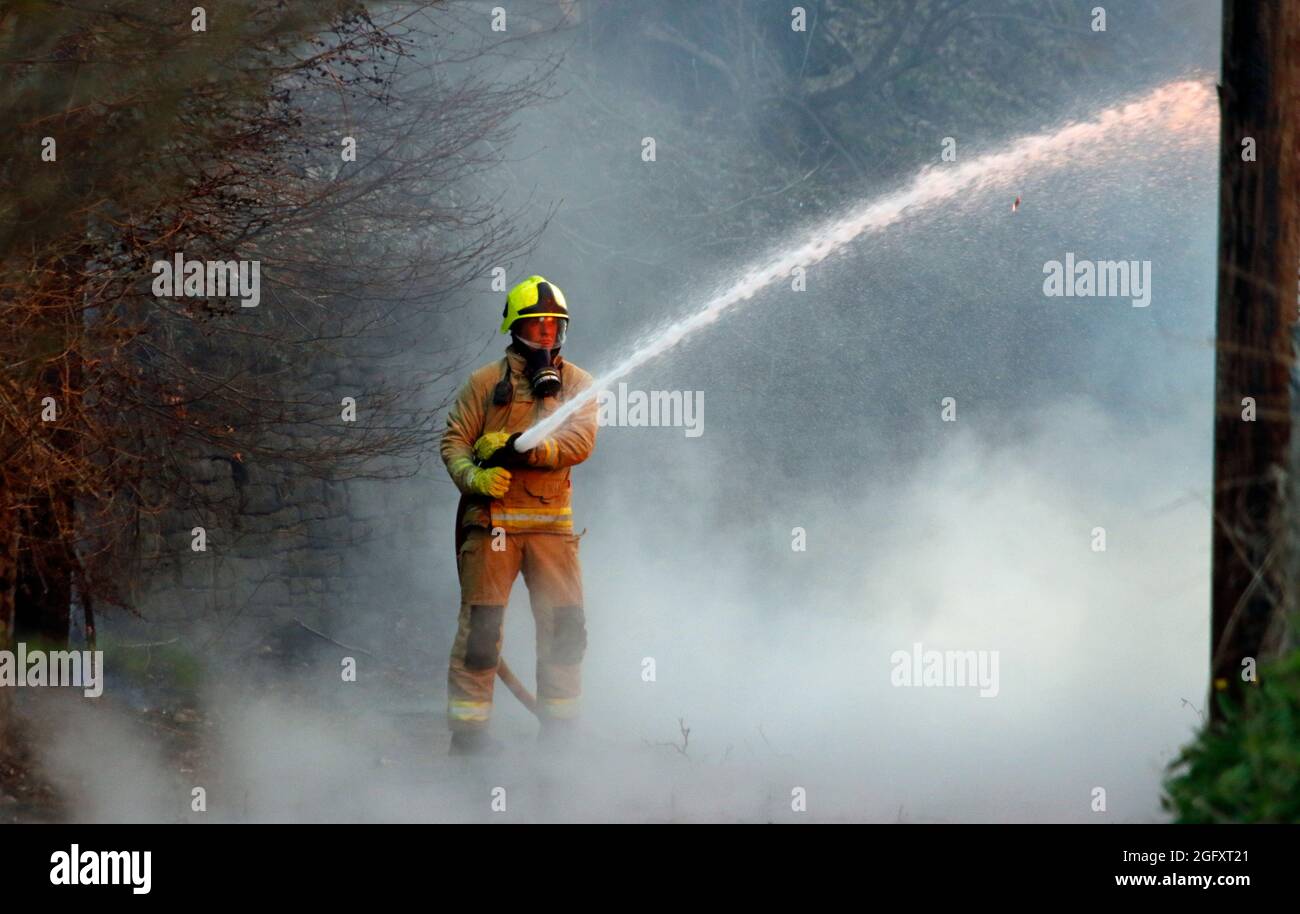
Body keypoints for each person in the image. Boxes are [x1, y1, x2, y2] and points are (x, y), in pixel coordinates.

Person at [440, 275, 598, 755]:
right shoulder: (484, 384)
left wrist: (521, 448)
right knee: (481, 635)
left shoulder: (577, 384)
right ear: (516, 327)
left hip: (552, 532)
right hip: (493, 527)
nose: (547, 332)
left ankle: (560, 742)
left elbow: (579, 443)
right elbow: (454, 443)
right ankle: (469, 742)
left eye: (554, 324)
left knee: (564, 631)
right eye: (537, 323)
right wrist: (475, 478)